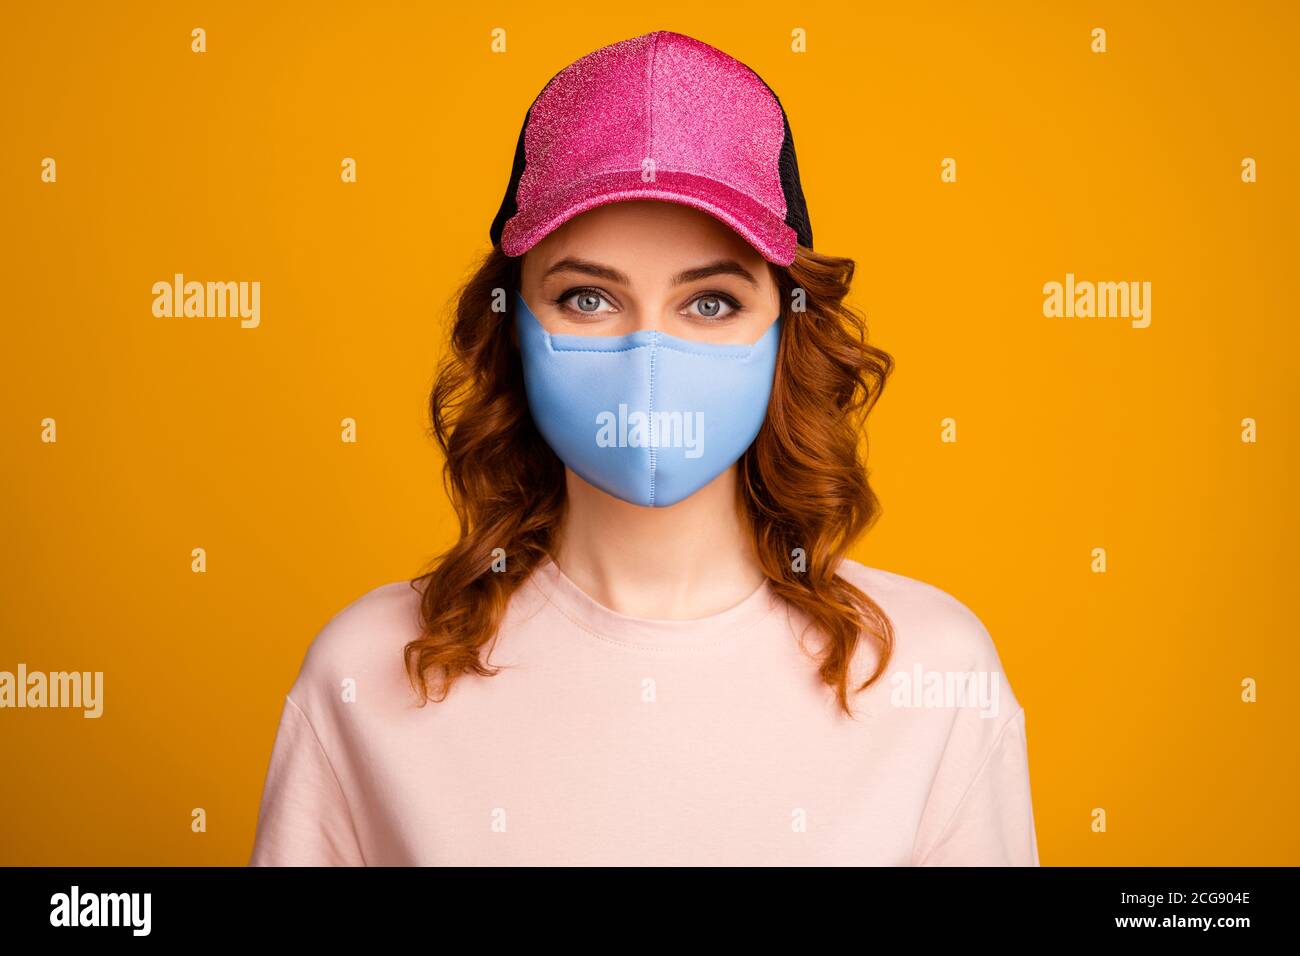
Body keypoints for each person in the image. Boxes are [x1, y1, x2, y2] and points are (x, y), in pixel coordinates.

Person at [248, 30, 1039, 866]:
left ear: (787, 331)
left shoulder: (930, 673)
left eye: (710, 303)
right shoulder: (367, 672)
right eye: (588, 297)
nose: (647, 357)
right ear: (512, 326)